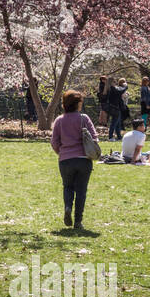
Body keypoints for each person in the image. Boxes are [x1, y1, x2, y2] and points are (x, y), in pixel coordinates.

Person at [50, 89, 98, 230]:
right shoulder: (84, 118)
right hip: (84, 159)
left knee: (68, 187)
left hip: (65, 159)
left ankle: (67, 207)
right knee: (81, 191)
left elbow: (54, 142)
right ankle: (78, 221)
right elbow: (94, 138)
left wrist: (62, 153)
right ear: (78, 104)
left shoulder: (59, 120)